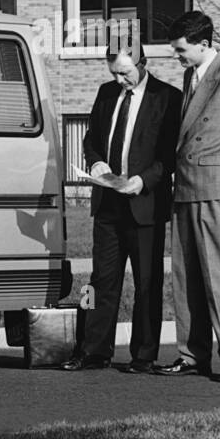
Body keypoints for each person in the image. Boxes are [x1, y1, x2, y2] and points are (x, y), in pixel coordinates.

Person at [156, 11, 220, 382]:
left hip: (219, 191)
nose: (177, 56)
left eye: (181, 49)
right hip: (185, 188)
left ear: (203, 44)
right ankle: (191, 355)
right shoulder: (189, 76)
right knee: (186, 279)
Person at [61, 44, 181, 373]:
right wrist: (96, 162)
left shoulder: (168, 97)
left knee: (147, 282)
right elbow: (90, 139)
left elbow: (170, 155)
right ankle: (94, 351)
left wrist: (143, 180)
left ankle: (144, 356)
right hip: (108, 202)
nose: (120, 79)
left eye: (125, 72)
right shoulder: (106, 92)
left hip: (145, 203)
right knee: (100, 282)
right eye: (114, 72)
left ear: (143, 63)